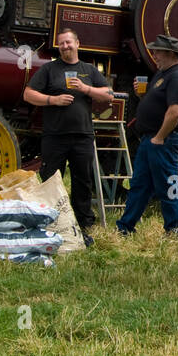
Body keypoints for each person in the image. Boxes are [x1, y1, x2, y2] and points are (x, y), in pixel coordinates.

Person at [23, 27, 113, 246]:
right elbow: (28, 94)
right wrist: (52, 100)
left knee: (83, 181)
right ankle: (50, 222)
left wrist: (85, 88)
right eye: (61, 43)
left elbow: (108, 95)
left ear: (77, 43)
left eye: (68, 42)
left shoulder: (88, 70)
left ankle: (84, 225)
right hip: (54, 136)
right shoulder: (49, 69)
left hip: (82, 136)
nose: (65, 47)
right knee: (51, 180)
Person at [116, 34, 178, 237]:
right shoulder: (162, 74)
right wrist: (143, 96)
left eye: (157, 51)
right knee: (139, 184)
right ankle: (125, 226)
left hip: (164, 140)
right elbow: (157, 103)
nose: (154, 55)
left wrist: (159, 137)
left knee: (169, 185)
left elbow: (175, 112)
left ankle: (174, 229)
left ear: (169, 53)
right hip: (150, 139)